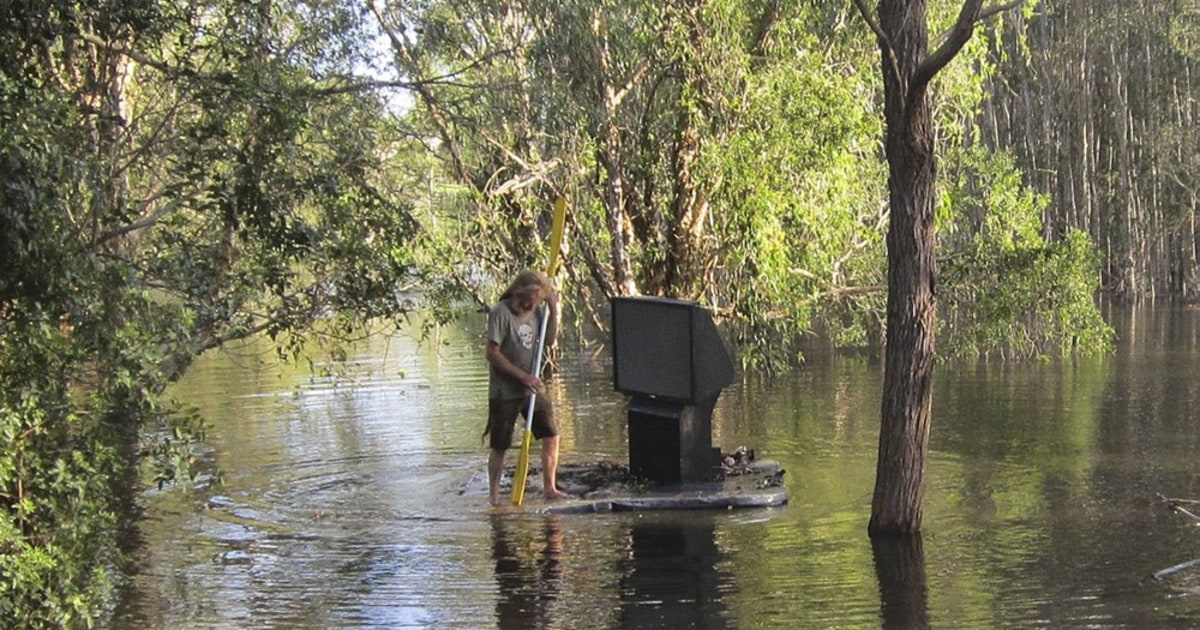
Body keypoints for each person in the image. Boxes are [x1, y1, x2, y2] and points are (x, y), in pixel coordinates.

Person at [483, 270, 572, 506]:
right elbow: (492, 354)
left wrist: (553, 310)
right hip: (505, 391)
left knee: (551, 434)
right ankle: (494, 498)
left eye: (540, 297)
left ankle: (550, 488)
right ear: (521, 292)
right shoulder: (500, 313)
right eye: (535, 296)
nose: (536, 302)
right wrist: (522, 376)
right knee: (500, 444)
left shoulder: (539, 311)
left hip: (530, 389)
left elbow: (550, 340)